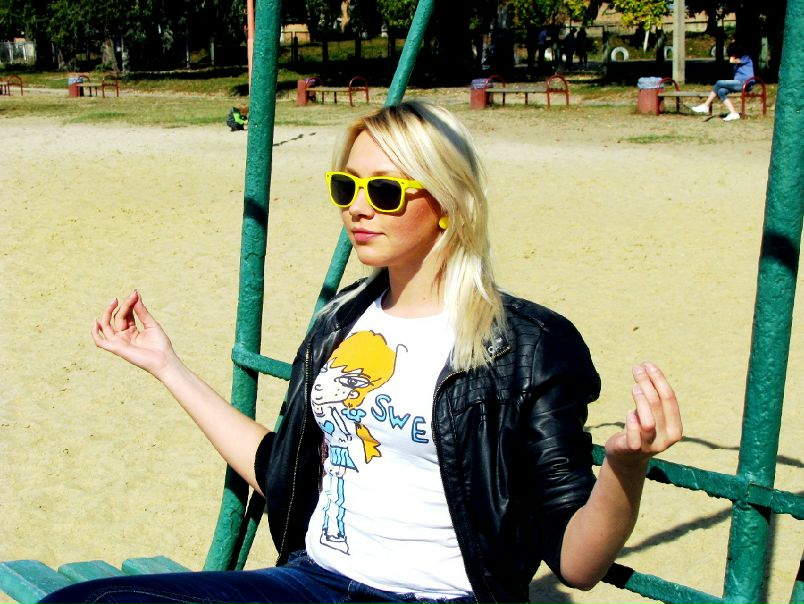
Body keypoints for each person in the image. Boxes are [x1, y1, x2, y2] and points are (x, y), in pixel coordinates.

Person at [42, 101, 682, 604]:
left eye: (385, 192)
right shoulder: (343, 318)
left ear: (447, 203)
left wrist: (624, 467)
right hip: (311, 581)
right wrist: (166, 364)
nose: (357, 208)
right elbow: (280, 469)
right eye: (346, 186)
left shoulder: (525, 346)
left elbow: (576, 563)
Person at [692, 43, 755, 121]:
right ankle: (733, 113)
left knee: (719, 83)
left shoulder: (746, 58)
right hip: (738, 83)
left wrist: (732, 55)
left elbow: (732, 60)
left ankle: (706, 105)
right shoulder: (739, 61)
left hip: (746, 83)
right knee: (721, 91)